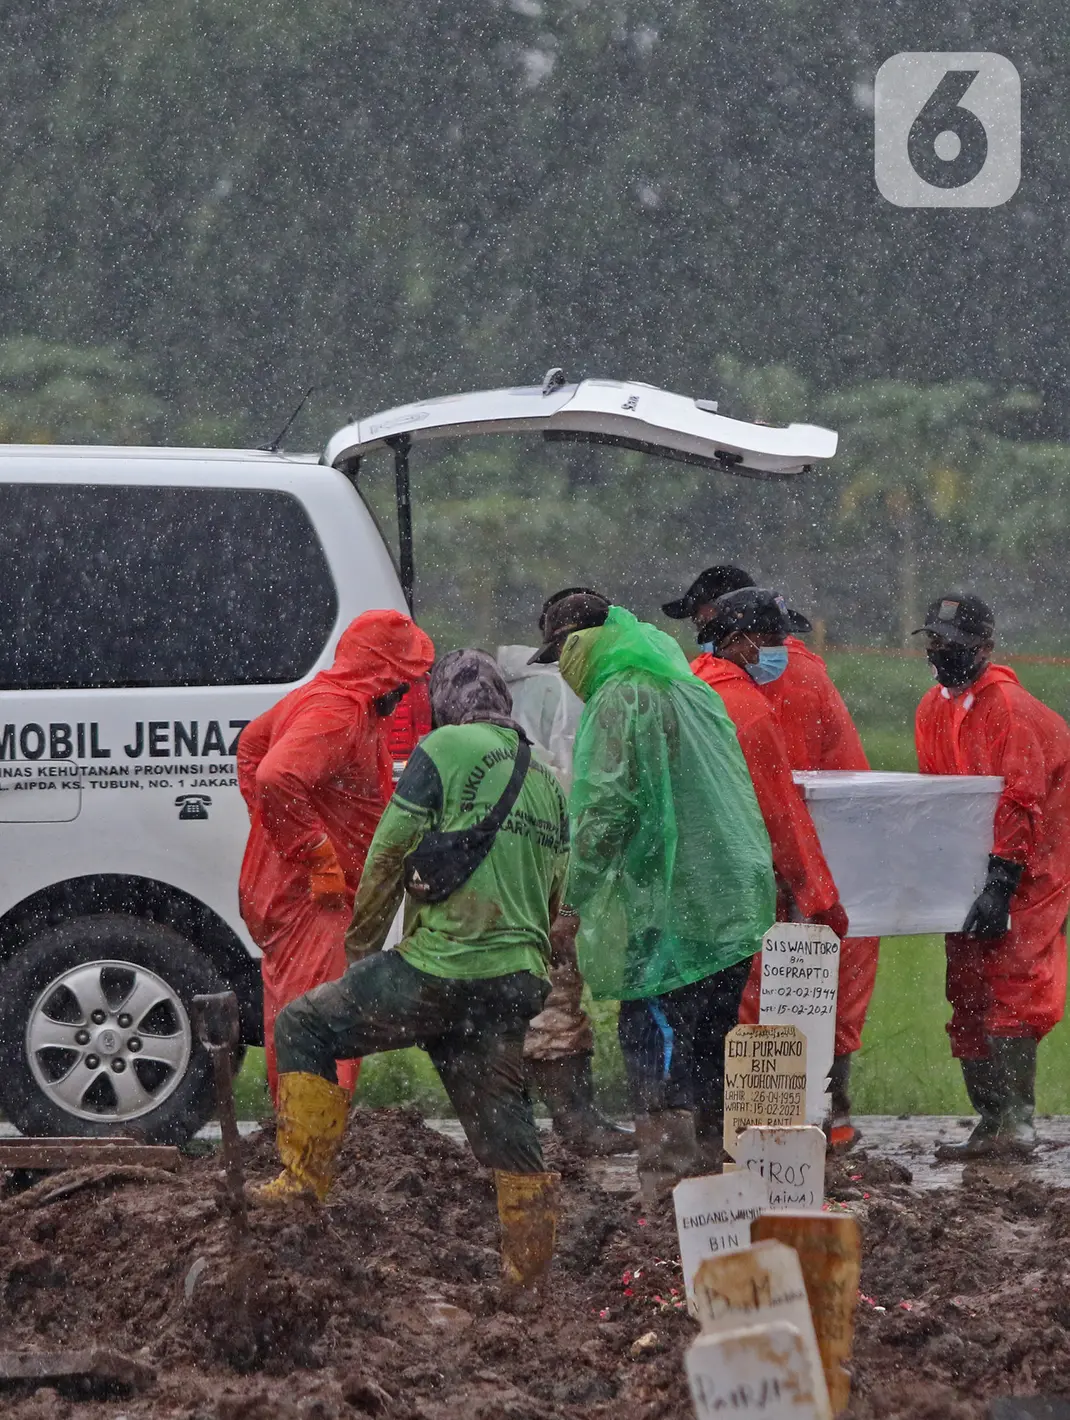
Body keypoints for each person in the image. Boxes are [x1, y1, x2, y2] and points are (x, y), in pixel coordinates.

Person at [252, 649, 569, 1292]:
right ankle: (529, 1277)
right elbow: (558, 896)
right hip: (515, 980)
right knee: (504, 1122)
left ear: (445, 704)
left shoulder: (446, 748)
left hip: (438, 969)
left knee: (304, 1027)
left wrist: (365, 952)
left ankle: (301, 1188)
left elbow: (391, 850)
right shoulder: (548, 779)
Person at [529, 593, 776, 1199]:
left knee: (655, 1034)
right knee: (712, 1040)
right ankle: (719, 1180)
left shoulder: (622, 697)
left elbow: (605, 813)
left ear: (576, 645)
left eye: (561, 654)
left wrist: (572, 904)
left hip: (669, 910)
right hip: (725, 904)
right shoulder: (688, 688)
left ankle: (668, 1187)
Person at [665, 566, 877, 1146]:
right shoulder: (746, 707)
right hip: (759, 879)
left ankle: (712, 1132)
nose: (779, 651)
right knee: (776, 1001)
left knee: (713, 1010)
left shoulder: (687, 687)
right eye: (774, 641)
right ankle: (777, 1130)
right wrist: (819, 893)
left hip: (700, 887)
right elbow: (784, 813)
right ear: (747, 641)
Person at [237, 609, 435, 1102]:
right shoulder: (337, 711)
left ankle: (298, 1139)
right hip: (312, 898)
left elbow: (250, 747)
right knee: (323, 1023)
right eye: (404, 678)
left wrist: (271, 830)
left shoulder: (326, 700)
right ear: (382, 671)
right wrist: (314, 853)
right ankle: (317, 1150)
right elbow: (275, 777)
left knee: (295, 1015)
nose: (407, 691)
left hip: (296, 888)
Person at [914, 593, 1070, 1158]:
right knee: (968, 987)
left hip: (1031, 874)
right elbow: (939, 798)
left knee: (1015, 983)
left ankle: (1017, 1124)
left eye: (949, 643)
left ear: (983, 648)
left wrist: (1001, 882)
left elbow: (1021, 801)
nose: (938, 652)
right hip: (970, 869)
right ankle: (990, 1120)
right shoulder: (934, 708)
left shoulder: (1012, 710)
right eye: (932, 641)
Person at [498, 589, 634, 1158]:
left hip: (563, 854)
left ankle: (544, 1121)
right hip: (564, 855)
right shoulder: (591, 687)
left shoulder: (600, 688)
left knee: (551, 982)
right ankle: (573, 1121)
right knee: (557, 982)